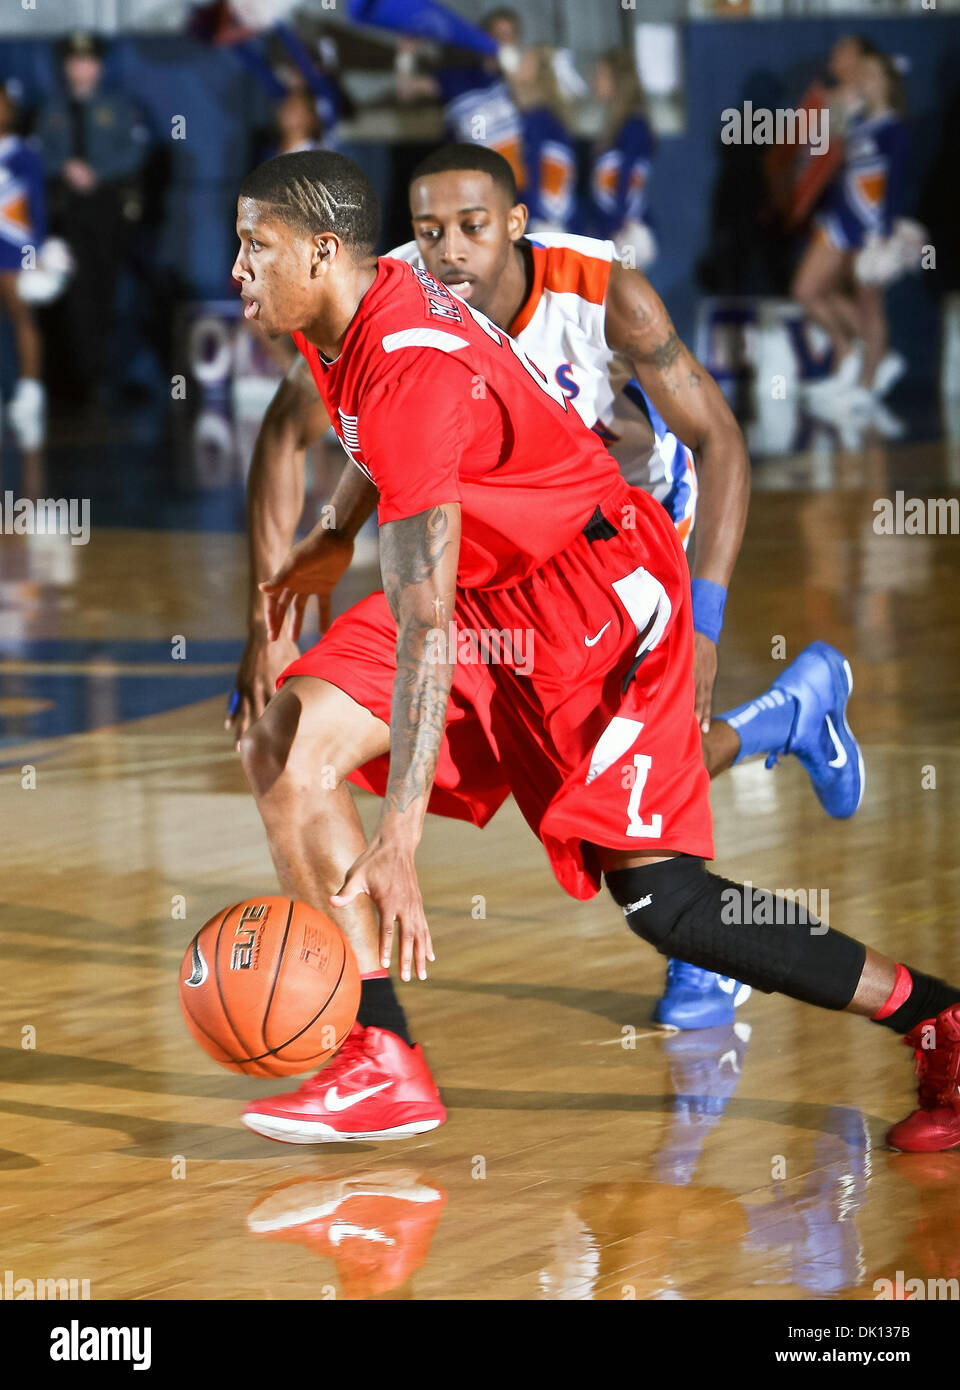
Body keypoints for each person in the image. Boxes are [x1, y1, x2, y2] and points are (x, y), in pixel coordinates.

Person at [225, 149, 960, 1155]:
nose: (235, 270)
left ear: (319, 251)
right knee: (283, 746)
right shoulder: (352, 298)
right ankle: (378, 1053)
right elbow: (385, 451)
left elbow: (426, 616)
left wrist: (398, 835)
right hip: (486, 589)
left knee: (665, 902)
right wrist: (339, 530)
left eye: (253, 248)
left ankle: (936, 1016)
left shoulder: (427, 357)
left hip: (593, 599)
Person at [33, 31, 151, 407]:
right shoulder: (50, 109)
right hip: (67, 210)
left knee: (110, 289)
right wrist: (64, 167)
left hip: (107, 207)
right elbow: (36, 152)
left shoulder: (117, 106)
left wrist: (97, 170)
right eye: (73, 61)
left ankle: (110, 376)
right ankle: (80, 379)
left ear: (98, 66)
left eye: (87, 61)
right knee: (73, 293)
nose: (80, 68)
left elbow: (135, 150)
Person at [792, 49, 909, 408]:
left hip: (870, 227)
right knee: (806, 291)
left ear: (888, 83)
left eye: (873, 75)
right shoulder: (858, 121)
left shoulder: (893, 129)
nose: (865, 82)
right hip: (841, 220)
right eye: (863, 75)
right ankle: (853, 356)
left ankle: (868, 379)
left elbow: (898, 184)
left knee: (869, 304)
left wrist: (884, 233)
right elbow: (816, 144)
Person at [395, 9, 526, 189]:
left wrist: (513, 71)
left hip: (519, 185)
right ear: (482, 37)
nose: (502, 41)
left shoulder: (525, 82)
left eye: (509, 35)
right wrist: (406, 53)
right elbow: (406, 92)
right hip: (471, 183)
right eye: (497, 34)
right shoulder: (457, 78)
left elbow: (532, 109)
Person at [0, 84, 46, 439]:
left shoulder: (24, 156)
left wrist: (37, 253)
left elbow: (38, 211)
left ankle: (30, 389)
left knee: (21, 315)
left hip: (15, 250)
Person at [588, 51, 656, 271]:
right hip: (612, 230)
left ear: (618, 81)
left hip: (626, 232)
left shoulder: (634, 125)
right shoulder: (615, 125)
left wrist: (617, 226)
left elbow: (627, 178)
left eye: (601, 75)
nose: (594, 81)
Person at [510, 46, 577, 233]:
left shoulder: (539, 115)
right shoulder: (548, 112)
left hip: (544, 216)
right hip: (554, 212)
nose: (519, 66)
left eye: (525, 62)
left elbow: (534, 165)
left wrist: (532, 213)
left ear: (538, 73)